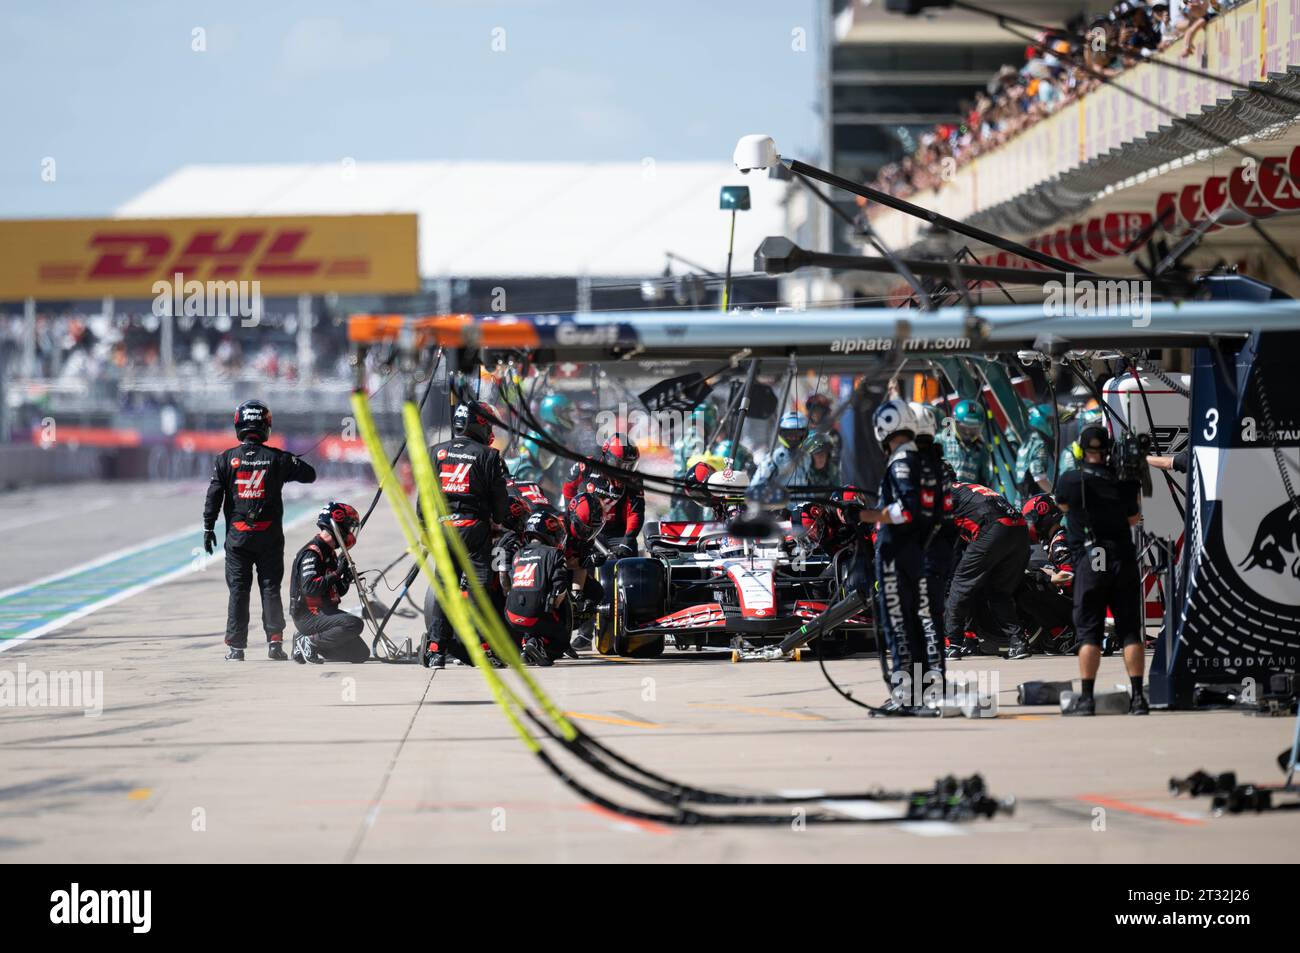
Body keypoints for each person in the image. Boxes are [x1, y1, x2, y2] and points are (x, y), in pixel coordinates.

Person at [203, 399, 316, 661]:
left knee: (239, 591)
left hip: (238, 539)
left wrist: (208, 528)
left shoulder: (225, 459)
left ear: (238, 425)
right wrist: (291, 463)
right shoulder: (278, 458)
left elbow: (213, 497)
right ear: (266, 425)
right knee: (270, 588)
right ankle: (275, 644)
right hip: (269, 538)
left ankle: (236, 648)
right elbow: (310, 475)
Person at [858, 400, 945, 711]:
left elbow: (905, 511)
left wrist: (867, 516)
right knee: (919, 623)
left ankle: (903, 695)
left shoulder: (901, 461)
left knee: (898, 624)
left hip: (897, 554)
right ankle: (926, 692)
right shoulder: (925, 461)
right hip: (919, 552)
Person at [1055, 425, 1147, 716]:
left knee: (1089, 632)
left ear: (1081, 451)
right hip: (1122, 555)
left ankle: (1086, 700)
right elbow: (1133, 518)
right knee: (1130, 631)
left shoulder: (1071, 479)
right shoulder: (1124, 480)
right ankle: (1138, 699)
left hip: (1092, 558)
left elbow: (1063, 506)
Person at [424, 399, 512, 670]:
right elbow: (500, 506)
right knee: (478, 591)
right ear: (480, 425)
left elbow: (425, 497)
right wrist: (504, 521)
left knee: (445, 589)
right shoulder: (488, 456)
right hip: (473, 530)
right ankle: (483, 648)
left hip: (442, 528)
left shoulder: (436, 452)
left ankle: (436, 650)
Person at [942, 480, 1031, 660]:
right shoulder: (969, 487)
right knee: (998, 592)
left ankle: (953, 644)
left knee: (958, 584)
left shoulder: (943, 491)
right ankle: (1018, 643)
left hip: (993, 528)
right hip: (1020, 529)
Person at [289, 502, 370, 664]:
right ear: (339, 525)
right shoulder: (313, 552)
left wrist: (344, 580)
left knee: (360, 654)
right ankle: (308, 641)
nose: (350, 533)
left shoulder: (330, 553)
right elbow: (310, 588)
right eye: (349, 527)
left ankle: (307, 643)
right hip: (309, 615)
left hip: (325, 613)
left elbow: (334, 591)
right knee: (354, 624)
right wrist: (336, 573)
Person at [506, 509, 573, 667]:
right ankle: (540, 643)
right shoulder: (554, 553)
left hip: (511, 616)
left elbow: (510, 583)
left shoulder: (517, 554)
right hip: (535, 615)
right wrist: (553, 606)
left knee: (534, 605)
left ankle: (528, 645)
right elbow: (560, 588)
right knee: (561, 632)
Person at [1015, 493, 1075, 655]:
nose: (1031, 525)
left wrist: (1041, 577)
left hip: (1077, 607)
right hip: (1076, 604)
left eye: (1032, 519)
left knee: (1027, 589)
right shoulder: (1056, 539)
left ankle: (1062, 633)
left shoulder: (1059, 542)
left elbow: (1069, 577)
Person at [564, 491, 607, 652]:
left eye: (592, 530)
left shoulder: (586, 538)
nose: (588, 533)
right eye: (584, 528)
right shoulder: (559, 528)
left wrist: (578, 595)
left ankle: (566, 630)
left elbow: (580, 567)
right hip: (544, 578)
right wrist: (583, 561)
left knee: (595, 594)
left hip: (565, 574)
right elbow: (552, 565)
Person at [581, 469, 645, 557]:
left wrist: (627, 541)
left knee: (629, 559)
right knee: (583, 561)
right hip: (591, 531)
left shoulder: (633, 477)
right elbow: (570, 491)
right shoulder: (587, 467)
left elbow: (635, 512)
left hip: (618, 532)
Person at [937, 399, 993, 485]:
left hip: (968, 496)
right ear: (955, 423)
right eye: (964, 428)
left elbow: (985, 481)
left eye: (973, 429)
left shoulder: (982, 449)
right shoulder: (941, 439)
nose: (968, 433)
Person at [1015, 403, 1056, 498]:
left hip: (1021, 499)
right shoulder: (1039, 444)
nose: (1052, 425)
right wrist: (1057, 496)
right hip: (1033, 502)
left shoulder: (1028, 441)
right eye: (1050, 420)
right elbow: (1039, 478)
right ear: (1041, 421)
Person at [805, 393, 842, 468]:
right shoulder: (805, 431)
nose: (814, 414)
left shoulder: (833, 431)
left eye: (818, 410)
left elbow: (836, 457)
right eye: (812, 410)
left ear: (825, 412)